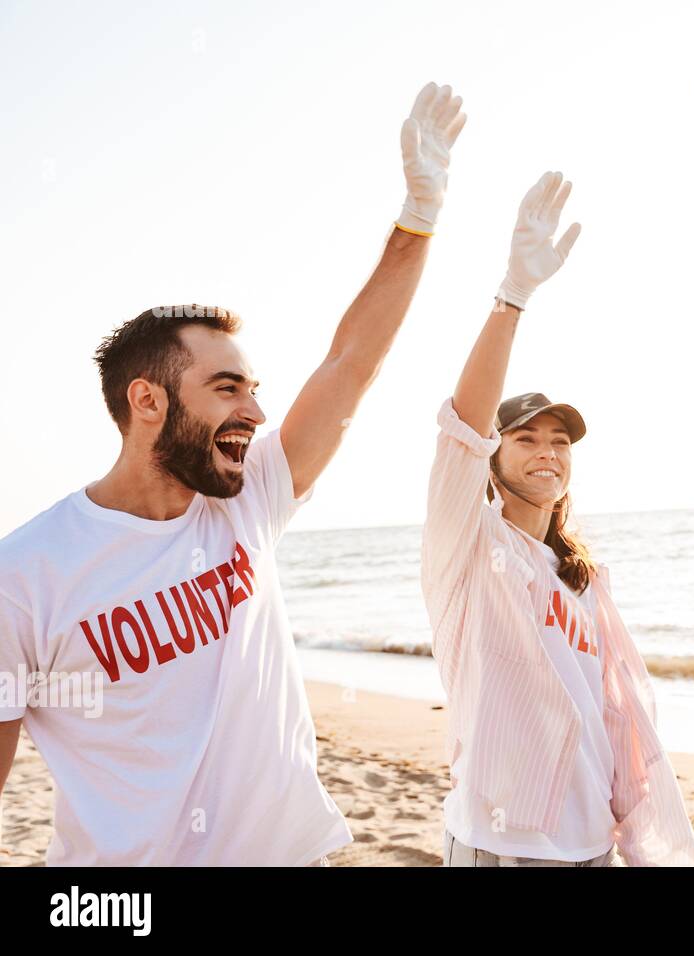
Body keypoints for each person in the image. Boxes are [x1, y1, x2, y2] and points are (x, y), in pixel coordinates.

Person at [0, 80, 466, 865]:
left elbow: (351, 365)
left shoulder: (248, 499)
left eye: (254, 389)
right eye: (226, 388)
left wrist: (417, 218)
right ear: (146, 400)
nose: (254, 411)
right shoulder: (26, 573)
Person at [421, 171, 694, 867]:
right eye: (526, 438)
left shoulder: (580, 577)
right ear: (494, 457)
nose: (547, 451)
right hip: (501, 841)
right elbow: (461, 428)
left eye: (559, 441)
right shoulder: (466, 545)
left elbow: (613, 712)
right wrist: (513, 294)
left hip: (590, 845)